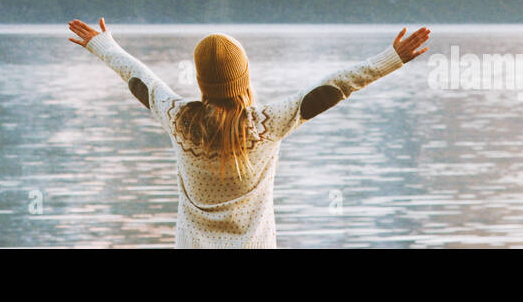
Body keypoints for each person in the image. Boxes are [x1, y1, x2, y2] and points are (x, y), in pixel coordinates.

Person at [67, 17, 431, 248]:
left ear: (199, 81)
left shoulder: (179, 120)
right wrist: (392, 59)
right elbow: (334, 88)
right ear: (244, 79)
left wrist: (103, 44)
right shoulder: (268, 125)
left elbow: (139, 80)